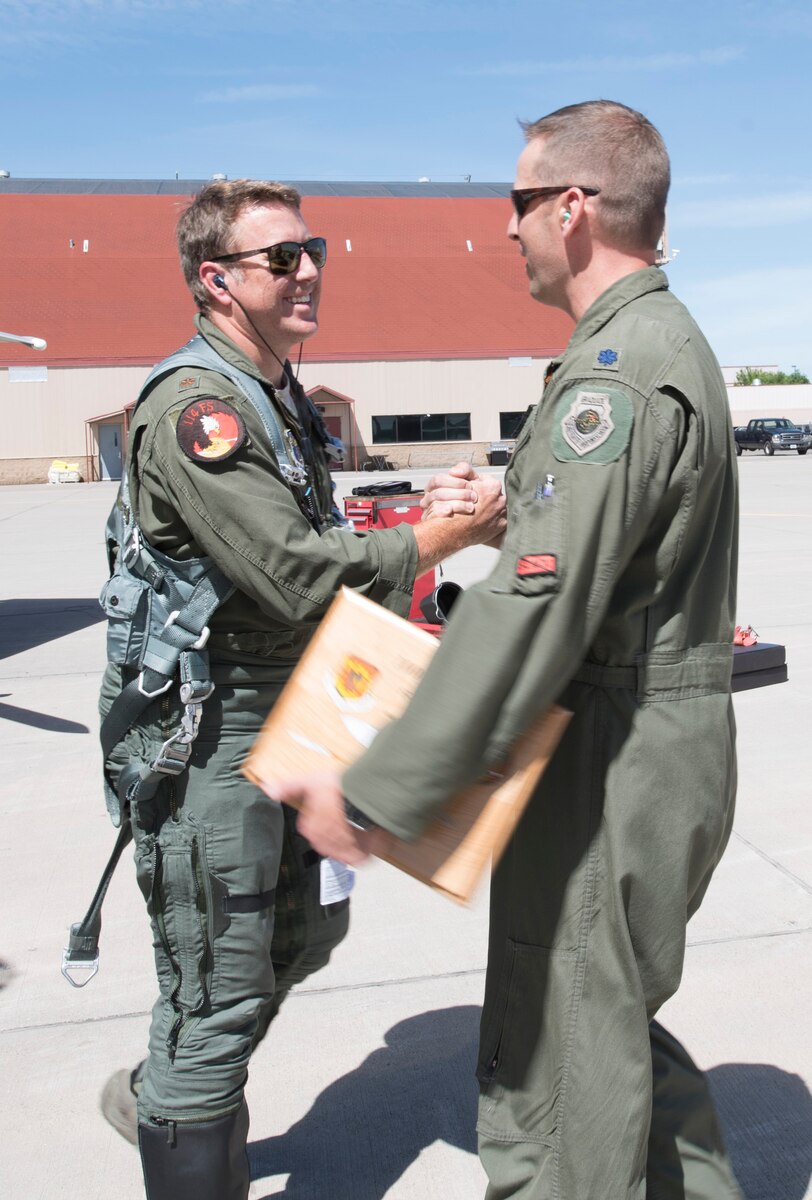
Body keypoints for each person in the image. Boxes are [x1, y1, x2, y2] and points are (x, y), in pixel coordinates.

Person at [276, 102, 743, 1199]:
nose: (507, 229)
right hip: (644, 738)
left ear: (573, 209)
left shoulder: (612, 376)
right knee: (616, 1039)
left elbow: (532, 612)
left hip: (608, 761)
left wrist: (378, 785)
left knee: (561, 1083)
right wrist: (509, 509)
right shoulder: (645, 348)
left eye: (518, 203)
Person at [97, 178, 506, 1199]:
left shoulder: (273, 392)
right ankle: (180, 1094)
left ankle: (165, 1087)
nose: (309, 269)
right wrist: (439, 539)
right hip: (213, 737)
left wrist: (415, 514)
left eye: (311, 248)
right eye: (281, 258)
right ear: (216, 281)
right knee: (217, 997)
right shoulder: (199, 409)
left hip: (301, 713)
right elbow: (288, 576)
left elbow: (305, 546)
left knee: (305, 938)